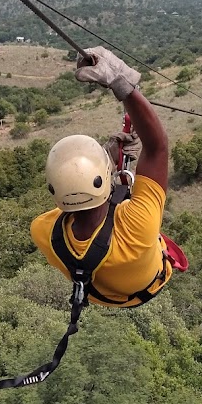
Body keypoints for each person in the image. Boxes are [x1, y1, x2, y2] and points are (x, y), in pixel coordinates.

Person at [30, 46, 182, 308]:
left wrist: (108, 162)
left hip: (101, 290)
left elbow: (77, 193)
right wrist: (121, 82)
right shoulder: (137, 226)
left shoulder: (42, 229)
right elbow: (157, 147)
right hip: (148, 284)